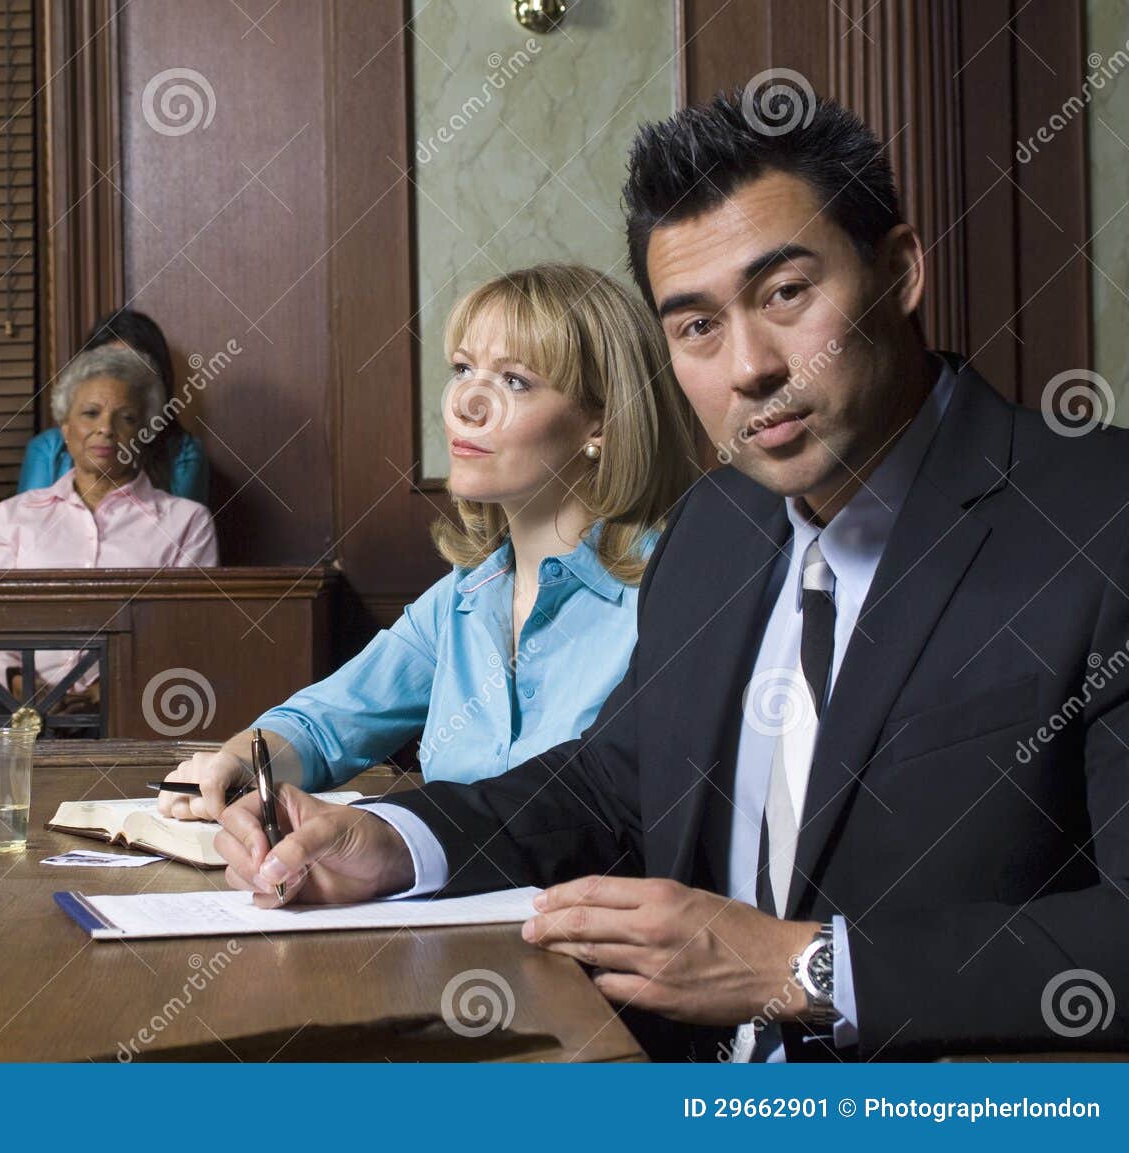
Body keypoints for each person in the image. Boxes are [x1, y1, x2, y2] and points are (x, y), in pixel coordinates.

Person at [214, 93, 1129, 1061]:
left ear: (899, 270)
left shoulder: (1097, 519)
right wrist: (395, 843)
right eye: (695, 327)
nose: (748, 368)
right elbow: (612, 785)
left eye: (784, 295)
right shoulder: (717, 523)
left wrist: (801, 968)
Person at [159, 263, 697, 821]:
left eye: (515, 381)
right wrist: (242, 762)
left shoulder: (672, 595)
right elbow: (322, 726)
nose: (465, 403)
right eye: (463, 369)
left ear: (602, 423)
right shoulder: (464, 597)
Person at [0, 345, 217, 699]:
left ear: (146, 430)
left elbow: (188, 631)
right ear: (66, 428)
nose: (106, 429)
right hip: (16, 712)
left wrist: (111, 691)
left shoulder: (187, 521)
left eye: (126, 418)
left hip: (138, 706)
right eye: (90, 413)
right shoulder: (13, 516)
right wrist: (18, 685)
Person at [17, 308, 209, 502]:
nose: (117, 382)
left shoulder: (183, 452)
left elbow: (179, 526)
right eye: (106, 364)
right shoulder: (48, 449)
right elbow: (30, 522)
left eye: (131, 367)